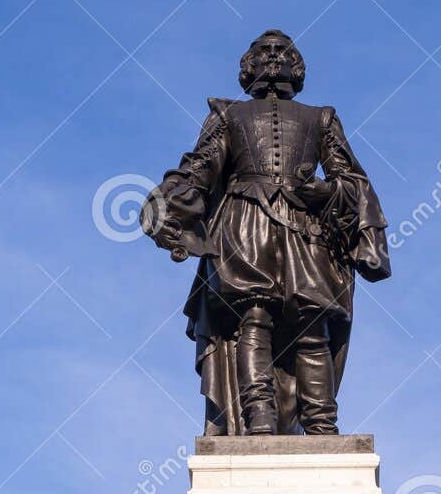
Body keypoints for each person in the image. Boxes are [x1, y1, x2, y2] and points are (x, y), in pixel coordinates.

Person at [141, 29, 390, 435]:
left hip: (305, 229)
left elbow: (353, 181)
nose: (273, 56)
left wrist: (324, 190)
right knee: (253, 318)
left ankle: (322, 426)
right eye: (264, 51)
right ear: (248, 66)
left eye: (282, 51)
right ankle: (259, 422)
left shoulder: (321, 118)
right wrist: (169, 202)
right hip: (245, 226)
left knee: (313, 324)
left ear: (297, 66)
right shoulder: (227, 115)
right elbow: (200, 170)